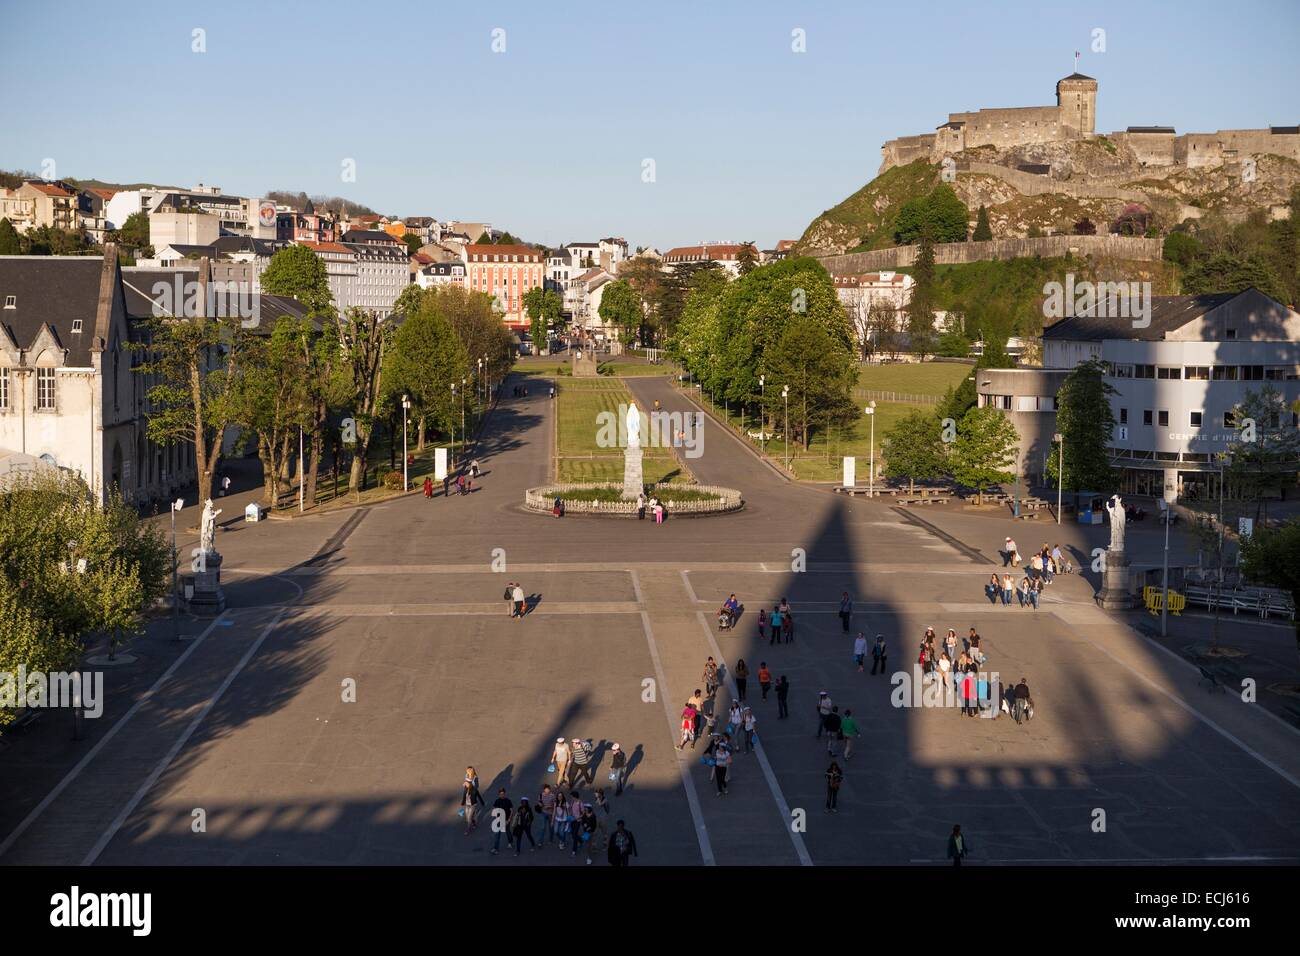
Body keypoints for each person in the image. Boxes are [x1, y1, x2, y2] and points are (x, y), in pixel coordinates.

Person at [490, 788, 513, 854]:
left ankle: (510, 842)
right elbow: (495, 810)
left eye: (503, 794)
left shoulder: (508, 801)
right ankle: (495, 848)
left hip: (506, 820)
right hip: (499, 820)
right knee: (497, 835)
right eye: (500, 794)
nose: (502, 795)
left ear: (504, 794)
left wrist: (509, 820)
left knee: (508, 832)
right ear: (499, 794)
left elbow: (511, 811)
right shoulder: (497, 801)